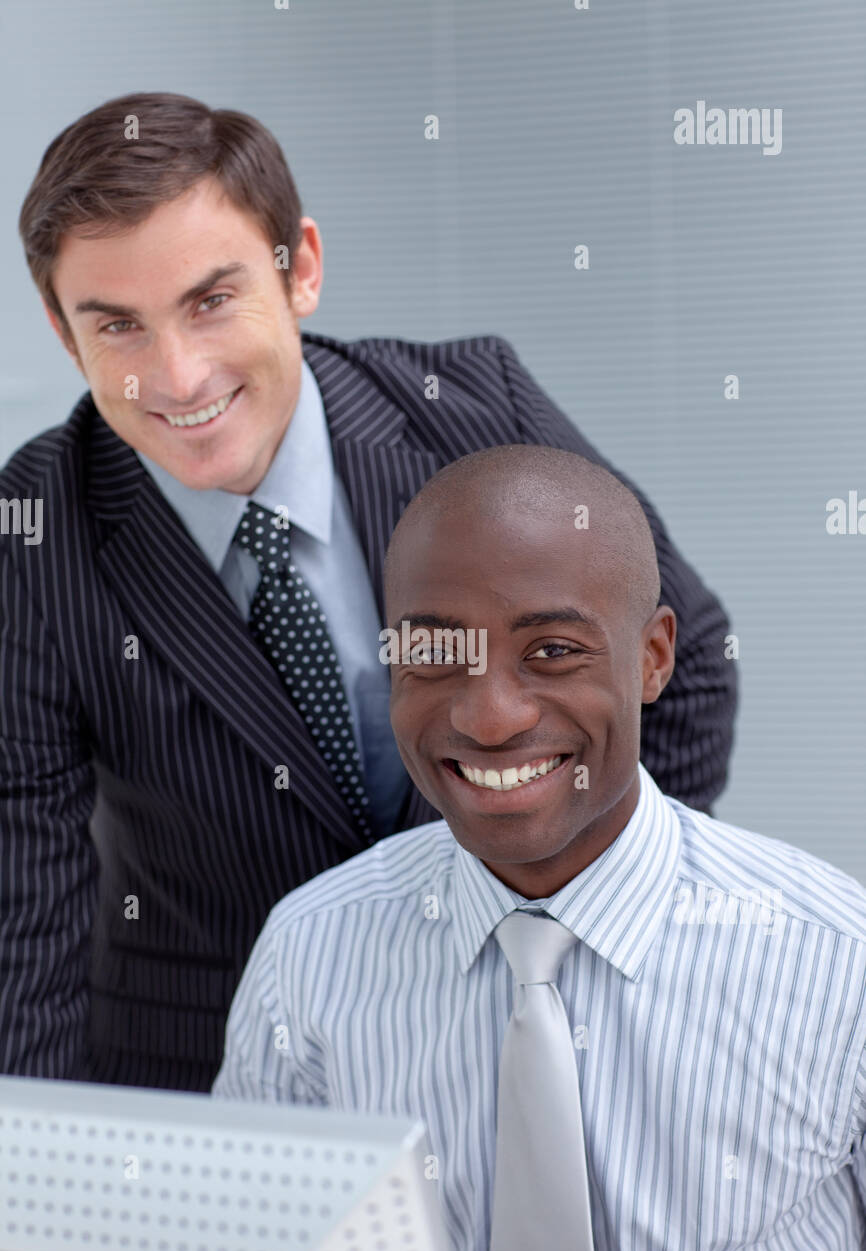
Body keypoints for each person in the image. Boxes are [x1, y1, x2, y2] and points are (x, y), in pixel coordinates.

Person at [1, 91, 735, 1094]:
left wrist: (553, 923)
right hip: (211, 1072)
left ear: (298, 266)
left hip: (517, 1018)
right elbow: (23, 919)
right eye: (117, 325)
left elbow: (681, 669)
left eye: (212, 300)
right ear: (61, 329)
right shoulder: (34, 530)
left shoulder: (473, 410)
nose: (176, 375)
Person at [213, 445, 866, 1251]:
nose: (489, 717)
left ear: (654, 658)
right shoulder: (308, 956)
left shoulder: (838, 961)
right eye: (434, 652)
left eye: (554, 651)